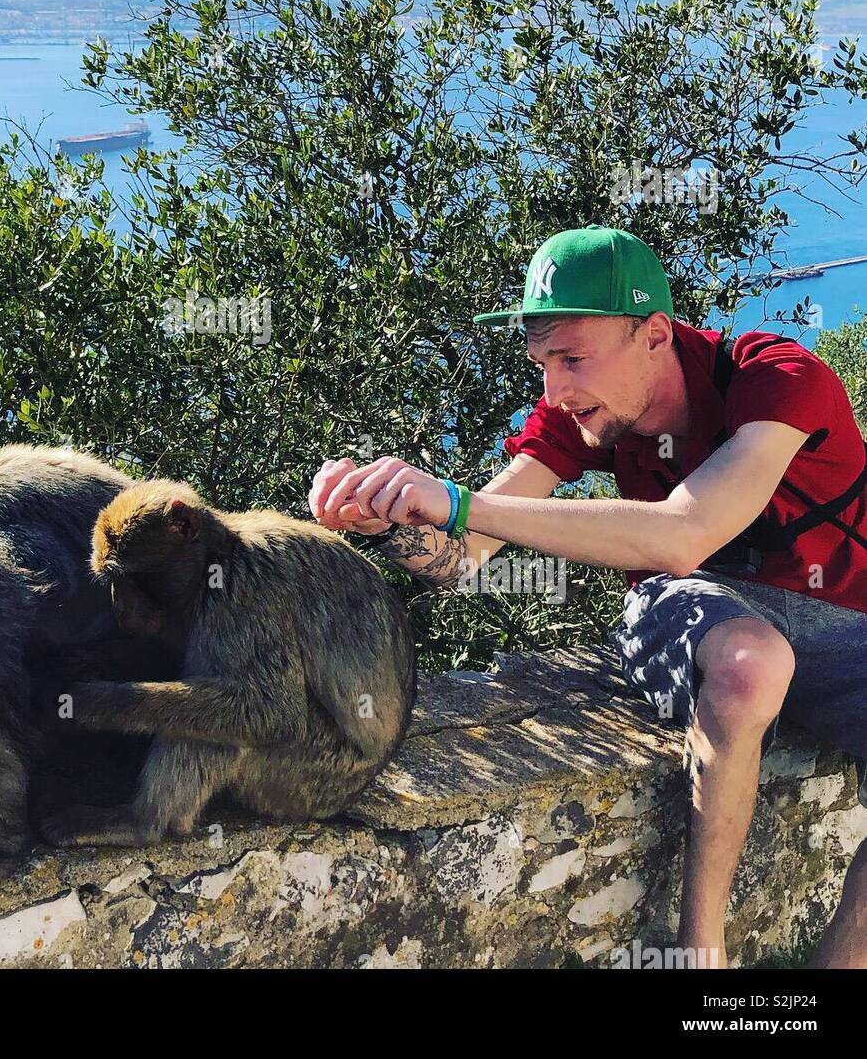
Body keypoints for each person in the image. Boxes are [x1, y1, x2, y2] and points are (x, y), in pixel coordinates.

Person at [309, 224, 867, 969]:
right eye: (542, 363)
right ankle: (702, 956)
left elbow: (685, 530)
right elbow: (462, 559)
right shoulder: (583, 415)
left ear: (656, 334)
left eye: (573, 358)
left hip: (841, 617)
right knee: (751, 663)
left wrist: (456, 501)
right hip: (693, 612)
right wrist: (393, 522)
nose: (556, 389)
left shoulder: (774, 378)